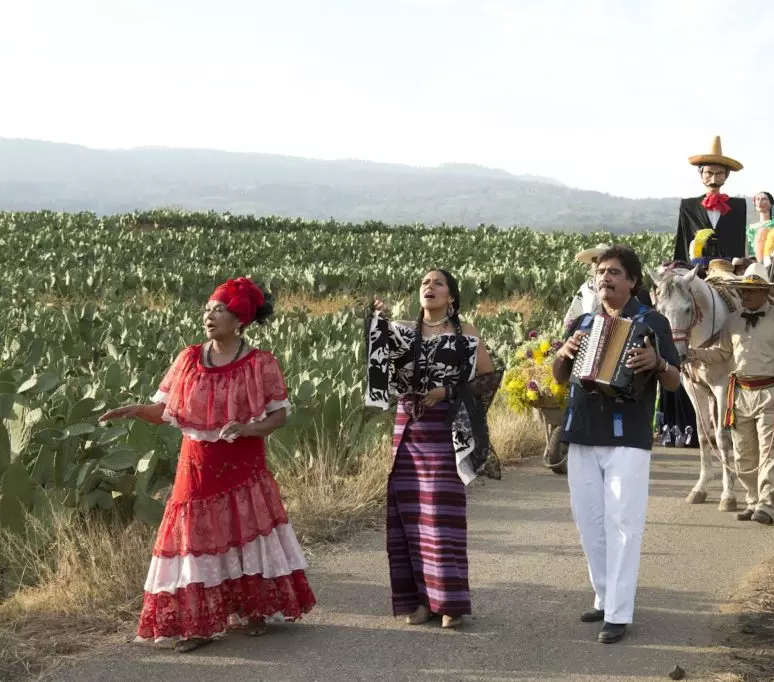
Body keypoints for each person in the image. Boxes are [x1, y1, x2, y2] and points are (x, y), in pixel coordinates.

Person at [100, 277, 316, 653]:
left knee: (244, 531)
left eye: (219, 310)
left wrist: (249, 428)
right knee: (193, 540)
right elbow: (165, 410)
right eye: (207, 309)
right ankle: (198, 624)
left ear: (239, 320)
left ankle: (254, 610)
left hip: (242, 464)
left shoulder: (260, 364)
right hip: (196, 465)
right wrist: (136, 410)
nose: (209, 316)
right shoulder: (187, 359)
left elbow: (278, 416)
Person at [553, 245, 681, 644]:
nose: (605, 278)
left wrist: (657, 364)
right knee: (589, 521)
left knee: (623, 522)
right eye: (601, 273)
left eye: (614, 273)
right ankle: (605, 596)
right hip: (582, 431)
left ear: (632, 282)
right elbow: (560, 376)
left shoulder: (651, 322)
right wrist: (564, 352)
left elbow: (675, 380)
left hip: (628, 434)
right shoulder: (584, 322)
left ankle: (620, 613)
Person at [366, 269, 500, 630]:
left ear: (451, 296)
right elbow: (378, 367)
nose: (429, 286)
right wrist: (377, 320)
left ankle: (450, 603)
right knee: (409, 517)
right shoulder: (403, 330)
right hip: (407, 428)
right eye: (425, 282)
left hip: (445, 428)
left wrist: (448, 392)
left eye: (438, 283)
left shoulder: (466, 334)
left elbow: (488, 380)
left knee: (440, 517)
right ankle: (419, 601)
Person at [685, 263, 774, 525]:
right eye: (742, 291)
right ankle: (752, 499)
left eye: (750, 291)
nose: (744, 296)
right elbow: (722, 354)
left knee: (769, 450)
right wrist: (694, 354)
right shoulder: (733, 321)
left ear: (764, 291)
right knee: (743, 453)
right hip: (739, 395)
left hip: (770, 393)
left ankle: (767, 504)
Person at [673, 136, 747, 263]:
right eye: (709, 173)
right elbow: (683, 240)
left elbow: (739, 239)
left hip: (728, 266)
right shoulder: (688, 206)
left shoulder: (738, 206)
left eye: (719, 174)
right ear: (701, 174)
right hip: (697, 266)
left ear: (726, 175)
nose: (713, 179)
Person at [564, 243, 610, 330]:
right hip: (586, 334)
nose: (597, 264)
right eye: (594, 260)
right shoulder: (585, 288)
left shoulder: (615, 286)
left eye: (601, 260)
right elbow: (571, 317)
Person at [745, 191, 774, 258]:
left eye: (764, 199)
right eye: (757, 199)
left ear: (771, 203)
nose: (760, 202)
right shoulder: (750, 227)